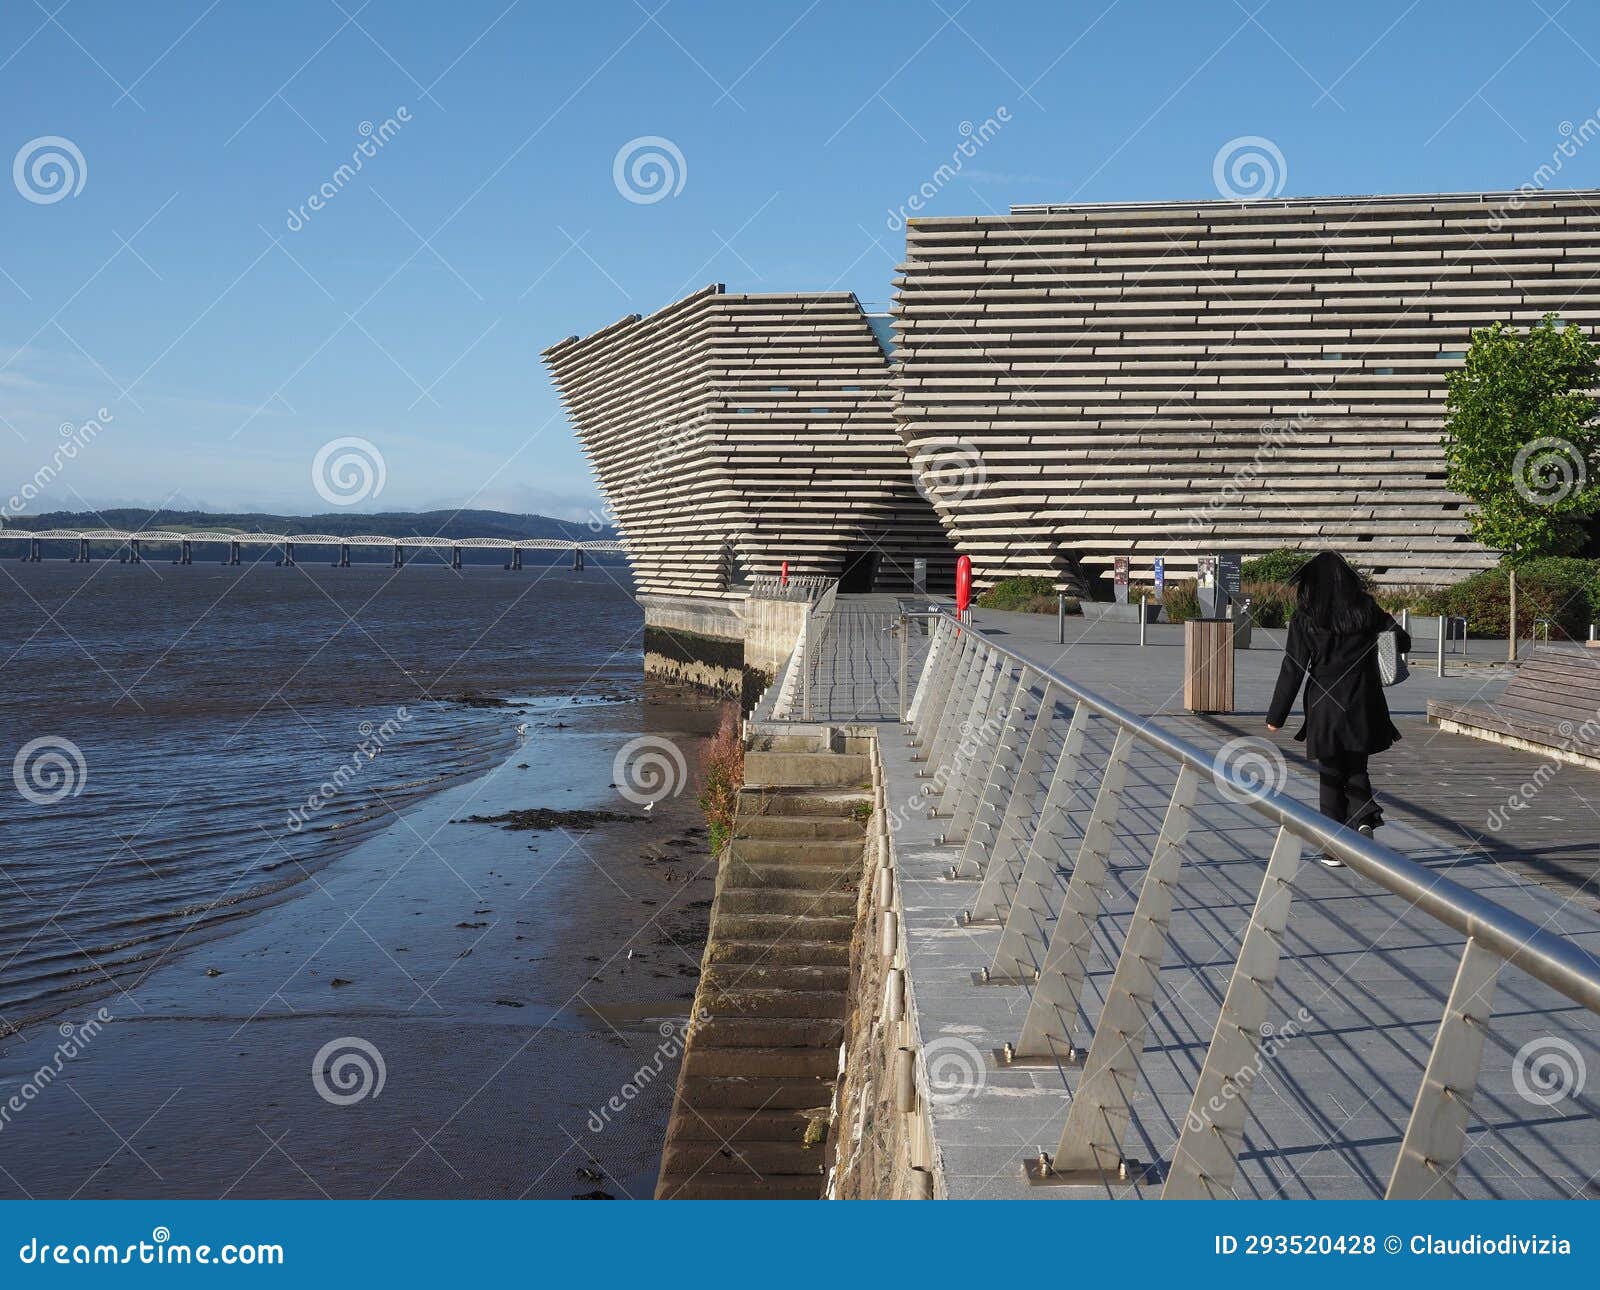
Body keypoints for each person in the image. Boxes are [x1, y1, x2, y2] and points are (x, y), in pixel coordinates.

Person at [1265, 552, 1411, 867]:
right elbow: (1404, 640)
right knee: (1356, 766)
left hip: (1324, 704)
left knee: (1330, 774)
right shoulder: (1367, 608)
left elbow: (1294, 667)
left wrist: (1276, 716)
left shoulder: (1305, 616)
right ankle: (1361, 821)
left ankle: (1333, 848)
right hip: (1363, 700)